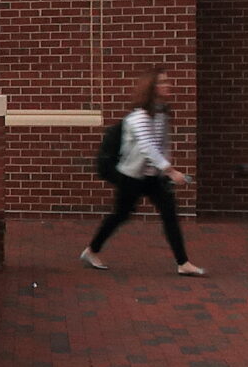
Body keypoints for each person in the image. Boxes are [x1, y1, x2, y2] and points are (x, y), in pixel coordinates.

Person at [80, 67, 205, 277]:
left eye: (167, 81)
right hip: (131, 176)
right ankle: (92, 250)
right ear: (151, 88)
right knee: (120, 215)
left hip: (153, 177)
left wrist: (165, 172)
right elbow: (148, 147)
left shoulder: (161, 113)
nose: (168, 85)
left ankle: (183, 262)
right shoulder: (138, 117)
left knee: (170, 215)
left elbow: (163, 145)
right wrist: (171, 171)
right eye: (162, 82)